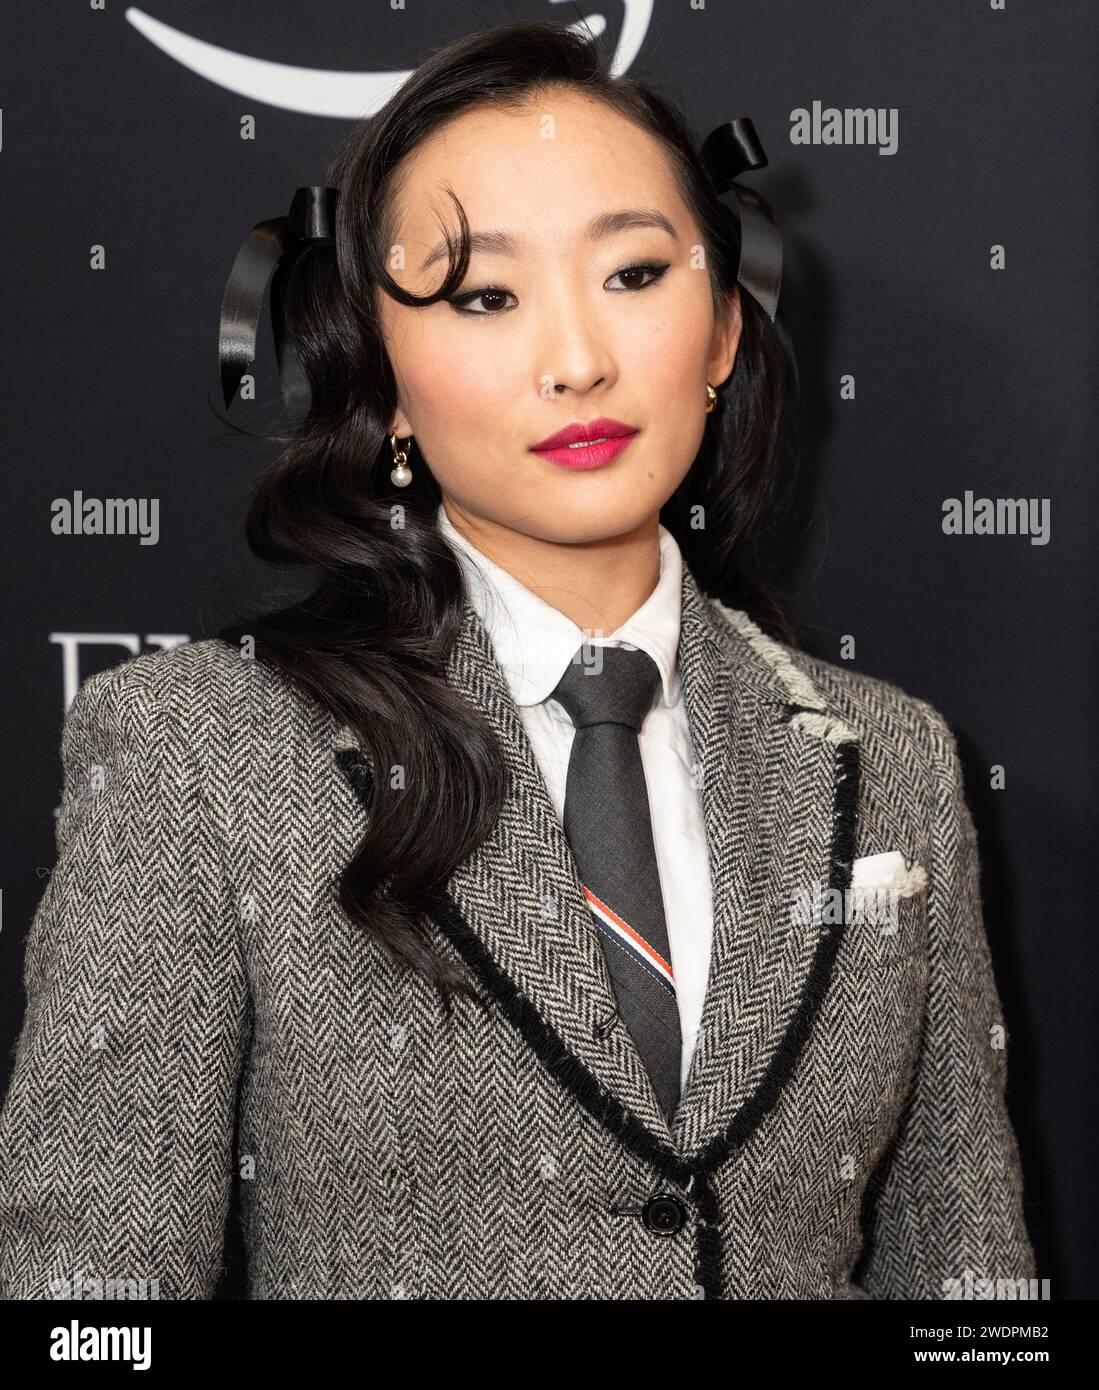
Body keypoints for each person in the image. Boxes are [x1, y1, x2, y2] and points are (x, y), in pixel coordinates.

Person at [0, 19, 1034, 1300]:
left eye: (635, 274)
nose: (578, 360)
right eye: (484, 295)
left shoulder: (893, 762)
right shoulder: (195, 751)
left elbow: (972, 1295)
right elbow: (83, 1314)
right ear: (381, 382)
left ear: (720, 331)